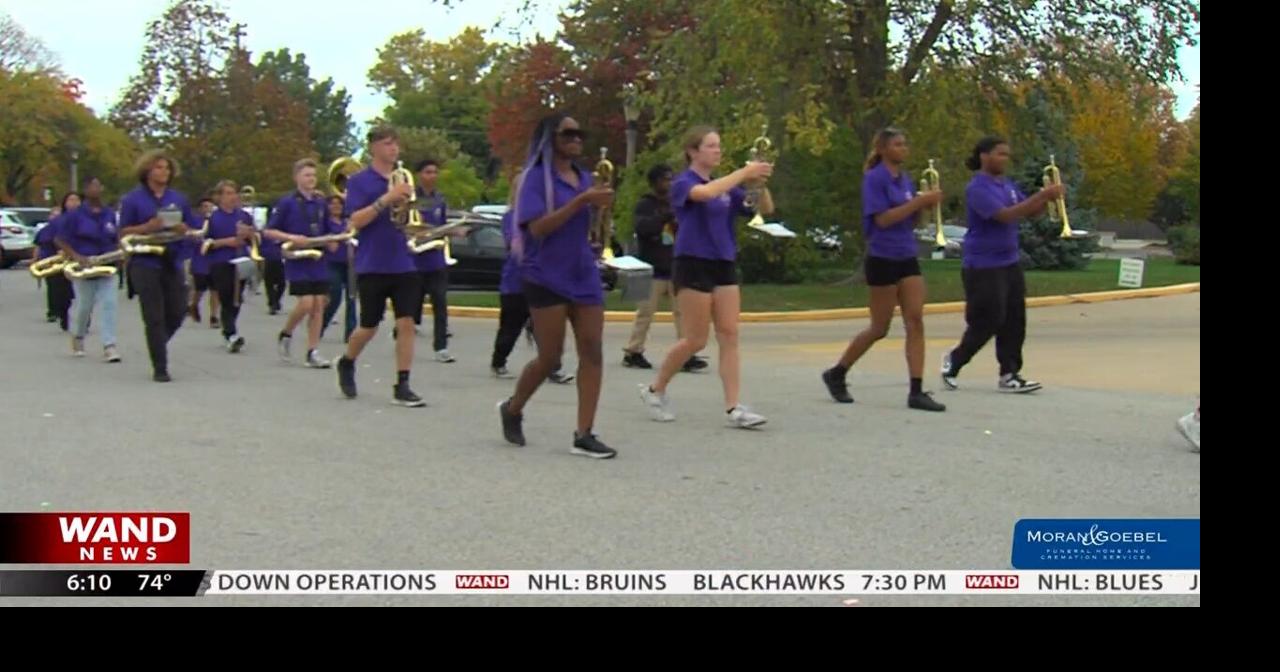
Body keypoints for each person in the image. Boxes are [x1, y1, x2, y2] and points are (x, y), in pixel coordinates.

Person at [496, 113, 616, 458]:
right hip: (545, 273)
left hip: (583, 271)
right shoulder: (535, 179)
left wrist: (598, 223)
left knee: (592, 350)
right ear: (550, 139)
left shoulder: (585, 177)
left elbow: (589, 222)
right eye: (568, 134)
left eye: (580, 134)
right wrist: (581, 201)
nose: (577, 139)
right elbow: (537, 228)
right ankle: (513, 408)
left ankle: (584, 433)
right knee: (550, 358)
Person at [639, 125, 774, 429]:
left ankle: (733, 406)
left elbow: (763, 208)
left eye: (718, 145)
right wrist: (743, 172)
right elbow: (705, 194)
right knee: (696, 339)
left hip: (723, 261)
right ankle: (655, 390)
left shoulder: (726, 186)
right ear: (693, 151)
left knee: (729, 333)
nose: (717, 151)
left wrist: (759, 182)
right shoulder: (683, 183)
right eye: (711, 146)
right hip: (693, 262)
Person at [821, 128, 946, 411]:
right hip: (882, 256)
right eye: (897, 144)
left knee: (915, 320)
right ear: (883, 149)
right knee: (879, 327)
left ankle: (916, 390)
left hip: (907, 254)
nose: (904, 149)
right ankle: (838, 372)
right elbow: (883, 220)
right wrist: (917, 202)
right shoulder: (874, 178)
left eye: (905, 144)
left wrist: (925, 206)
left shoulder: (904, 179)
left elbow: (912, 220)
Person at [940, 136, 1064, 394]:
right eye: (1000, 154)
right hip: (983, 264)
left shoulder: (1007, 185)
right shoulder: (977, 188)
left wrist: (1049, 199)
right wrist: (1042, 194)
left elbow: (1029, 211)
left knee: (1014, 320)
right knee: (988, 320)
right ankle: (955, 360)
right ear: (984, 156)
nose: (1004, 159)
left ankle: (1009, 374)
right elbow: (1004, 215)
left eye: (1007, 154)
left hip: (1009, 261)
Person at [334, 126, 427, 406]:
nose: (393, 149)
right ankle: (347, 361)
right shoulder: (359, 181)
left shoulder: (404, 178)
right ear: (373, 147)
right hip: (373, 262)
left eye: (395, 144)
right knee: (369, 326)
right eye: (387, 144)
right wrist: (387, 199)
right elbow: (356, 221)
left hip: (403, 261)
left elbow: (409, 219)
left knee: (406, 323)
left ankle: (403, 384)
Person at [117, 149, 200, 382]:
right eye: (159, 167)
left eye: (167, 168)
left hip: (171, 258)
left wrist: (184, 228)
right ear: (147, 171)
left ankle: (157, 343)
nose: (164, 172)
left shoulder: (178, 198)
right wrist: (147, 227)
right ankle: (160, 367)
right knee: (153, 315)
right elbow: (122, 231)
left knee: (178, 309)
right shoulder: (132, 199)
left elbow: (192, 228)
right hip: (145, 260)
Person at [622, 163, 706, 373]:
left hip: (676, 266)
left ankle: (685, 354)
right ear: (655, 182)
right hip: (651, 268)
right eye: (665, 179)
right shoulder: (646, 204)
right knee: (645, 312)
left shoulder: (678, 203)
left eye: (672, 179)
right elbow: (643, 228)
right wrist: (665, 216)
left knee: (682, 313)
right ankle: (633, 352)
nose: (670, 183)